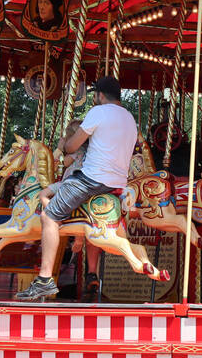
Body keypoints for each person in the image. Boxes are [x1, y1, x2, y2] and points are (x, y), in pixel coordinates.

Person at [17, 76, 140, 301]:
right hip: (117, 184)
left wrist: (65, 144)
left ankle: (44, 279)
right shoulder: (130, 119)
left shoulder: (98, 112)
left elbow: (73, 145)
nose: (95, 98)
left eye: (95, 95)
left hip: (91, 179)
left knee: (49, 215)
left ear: (100, 95)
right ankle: (85, 253)